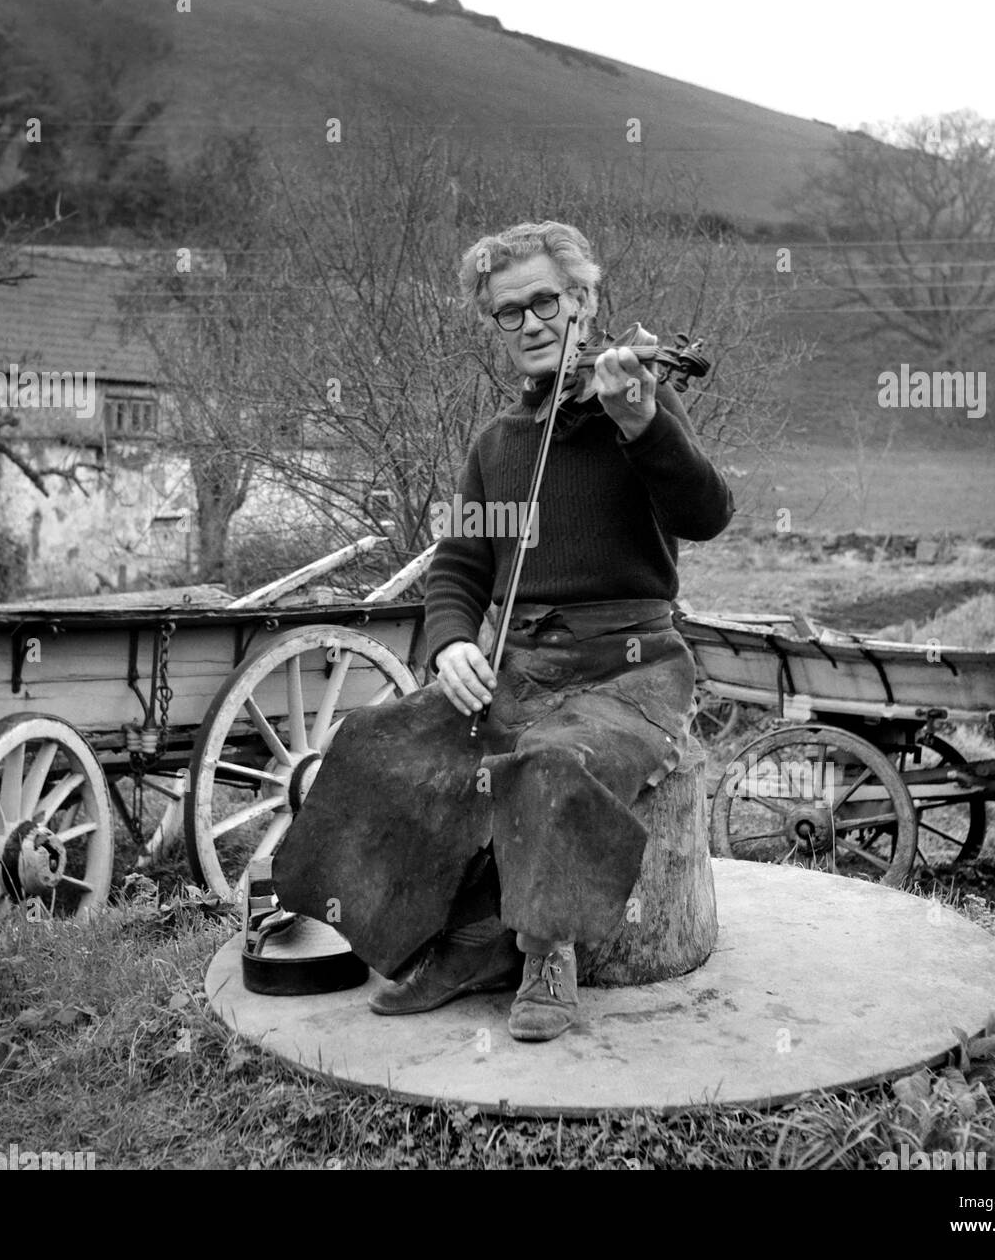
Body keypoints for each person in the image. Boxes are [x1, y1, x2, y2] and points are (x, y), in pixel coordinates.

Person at [272, 220, 733, 1042]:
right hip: (521, 665)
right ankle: (454, 940)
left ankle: (544, 949)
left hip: (630, 671)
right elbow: (459, 564)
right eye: (508, 313)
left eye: (545, 302)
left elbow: (707, 512)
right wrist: (452, 641)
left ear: (585, 303)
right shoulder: (498, 445)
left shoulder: (638, 415)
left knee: (550, 762)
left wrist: (643, 422)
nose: (530, 324)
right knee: (378, 739)